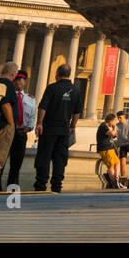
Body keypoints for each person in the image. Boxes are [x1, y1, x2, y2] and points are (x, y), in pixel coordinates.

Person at [33, 64, 83, 193]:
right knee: (60, 159)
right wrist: (73, 125)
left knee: (44, 157)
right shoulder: (76, 90)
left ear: (57, 74)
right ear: (69, 74)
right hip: (64, 130)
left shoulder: (52, 88)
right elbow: (77, 112)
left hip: (49, 128)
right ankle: (56, 186)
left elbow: (43, 107)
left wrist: (39, 123)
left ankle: (40, 185)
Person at [0, 69, 33, 190]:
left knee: (16, 165)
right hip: (7, 131)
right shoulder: (8, 95)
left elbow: (32, 118)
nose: (19, 82)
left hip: (21, 134)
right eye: (17, 79)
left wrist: (28, 128)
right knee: (1, 162)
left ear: (25, 82)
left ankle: (12, 189)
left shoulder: (30, 99)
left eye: (21, 79)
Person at [0, 61, 20, 190]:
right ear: (13, 74)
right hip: (4, 126)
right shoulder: (7, 84)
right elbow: (6, 105)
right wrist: (11, 123)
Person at [96, 112, 124, 188]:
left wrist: (114, 133)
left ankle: (117, 180)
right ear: (111, 120)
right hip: (105, 149)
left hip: (110, 148)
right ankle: (114, 183)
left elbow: (113, 135)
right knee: (111, 166)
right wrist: (114, 128)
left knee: (117, 163)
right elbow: (112, 133)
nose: (114, 122)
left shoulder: (106, 126)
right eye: (114, 121)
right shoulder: (103, 126)